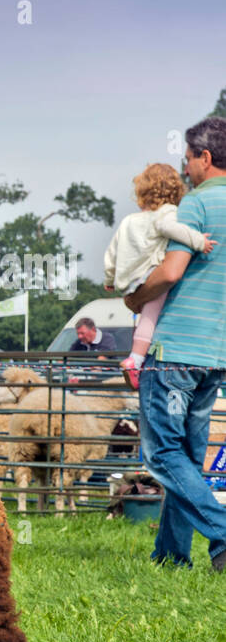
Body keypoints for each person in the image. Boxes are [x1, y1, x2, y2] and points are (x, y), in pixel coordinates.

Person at [124, 116, 226, 569]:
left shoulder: (195, 206)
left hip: (174, 355)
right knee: (186, 457)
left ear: (205, 158)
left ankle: (222, 532)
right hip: (217, 353)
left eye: (188, 158)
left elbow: (170, 272)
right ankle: (170, 555)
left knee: (162, 454)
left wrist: (134, 296)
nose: (184, 167)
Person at [103, 163, 217, 386]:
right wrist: (198, 240)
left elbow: (111, 253)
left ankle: (138, 353)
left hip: (128, 279)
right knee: (152, 314)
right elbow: (171, 229)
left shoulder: (129, 220)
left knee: (144, 314)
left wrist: (109, 278)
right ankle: (135, 360)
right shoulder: (167, 213)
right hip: (147, 275)